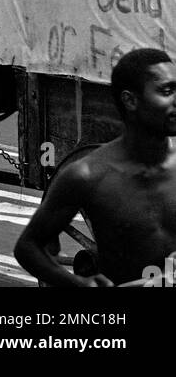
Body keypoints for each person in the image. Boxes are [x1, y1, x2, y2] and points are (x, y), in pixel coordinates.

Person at [14, 49, 176, 287]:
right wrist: (78, 285)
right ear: (130, 100)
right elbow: (28, 247)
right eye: (166, 91)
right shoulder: (87, 176)